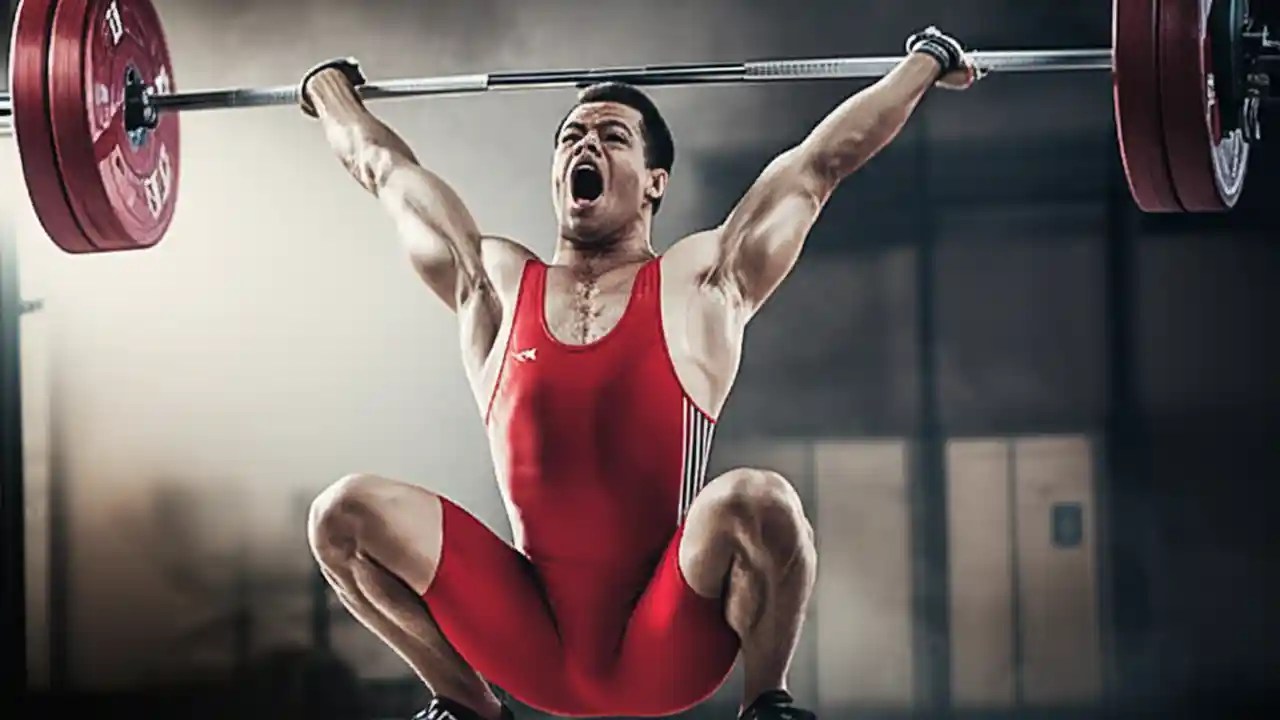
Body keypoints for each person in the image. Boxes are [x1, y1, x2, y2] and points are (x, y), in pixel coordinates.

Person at [302, 26, 978, 720]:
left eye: (612, 137)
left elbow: (820, 166)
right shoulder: (494, 284)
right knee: (342, 515)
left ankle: (766, 706)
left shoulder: (704, 281)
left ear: (656, 182)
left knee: (760, 498)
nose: (584, 145)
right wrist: (327, 91)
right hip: (532, 643)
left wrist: (924, 62)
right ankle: (467, 703)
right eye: (570, 137)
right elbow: (385, 171)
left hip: (666, 641)